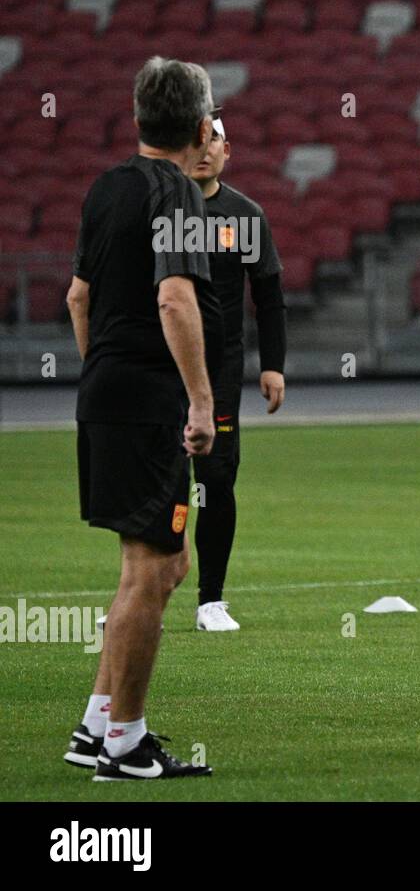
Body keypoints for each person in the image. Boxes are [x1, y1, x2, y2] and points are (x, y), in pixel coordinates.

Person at [63, 56, 222, 780]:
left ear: (136, 120)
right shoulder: (179, 196)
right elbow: (174, 300)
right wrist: (198, 398)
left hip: (103, 390)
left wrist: (106, 374)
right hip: (149, 399)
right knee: (148, 566)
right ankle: (125, 743)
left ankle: (98, 723)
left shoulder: (106, 188)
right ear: (199, 126)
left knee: (164, 564)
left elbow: (76, 298)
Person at [188, 106, 287, 631]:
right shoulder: (155, 213)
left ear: (228, 151)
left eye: (214, 140)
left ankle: (211, 600)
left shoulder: (244, 216)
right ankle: (144, 595)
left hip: (219, 373)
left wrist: (272, 366)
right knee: (159, 488)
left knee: (215, 480)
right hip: (160, 372)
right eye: (195, 139)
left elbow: (268, 296)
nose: (204, 149)